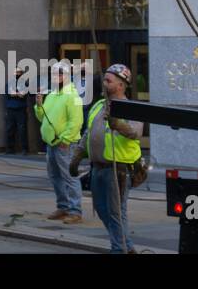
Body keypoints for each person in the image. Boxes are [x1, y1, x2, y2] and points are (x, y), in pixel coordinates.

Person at [71, 64, 144, 254]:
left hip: (118, 169)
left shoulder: (132, 108)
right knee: (102, 210)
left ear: (121, 85)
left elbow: (135, 133)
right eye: (104, 80)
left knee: (116, 212)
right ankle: (126, 247)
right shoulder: (98, 105)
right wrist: (77, 157)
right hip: (98, 168)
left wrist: (118, 124)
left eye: (108, 81)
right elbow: (88, 134)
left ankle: (119, 249)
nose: (104, 83)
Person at [35, 62, 83, 223]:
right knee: (55, 176)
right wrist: (39, 106)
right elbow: (42, 118)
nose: (56, 77)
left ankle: (75, 211)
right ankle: (63, 207)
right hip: (52, 143)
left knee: (69, 177)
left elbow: (76, 121)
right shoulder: (52, 94)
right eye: (54, 74)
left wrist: (66, 139)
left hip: (65, 144)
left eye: (60, 74)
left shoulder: (73, 96)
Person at [5, 65, 31, 154]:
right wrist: (18, 93)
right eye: (16, 72)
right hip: (10, 109)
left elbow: (23, 95)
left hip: (21, 109)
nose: (17, 74)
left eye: (19, 72)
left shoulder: (25, 83)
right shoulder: (9, 83)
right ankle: (10, 149)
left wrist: (15, 93)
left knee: (22, 129)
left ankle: (24, 149)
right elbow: (10, 94)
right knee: (9, 129)